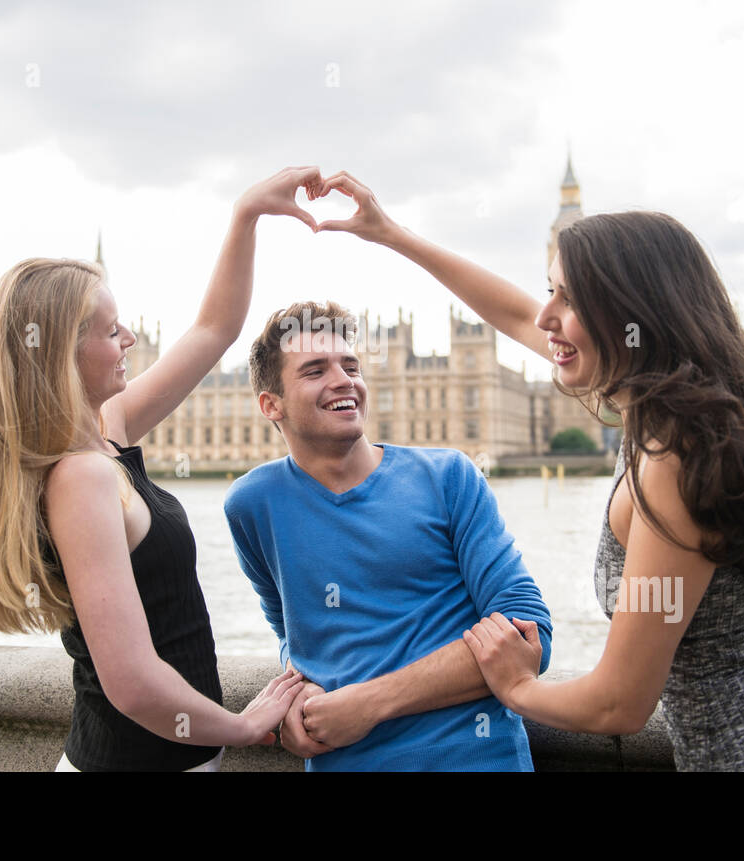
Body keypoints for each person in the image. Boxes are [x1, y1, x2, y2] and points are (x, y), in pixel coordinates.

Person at [311, 170, 744, 771]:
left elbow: (619, 705)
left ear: (631, 316)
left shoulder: (675, 461)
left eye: (569, 299)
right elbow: (515, 314)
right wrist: (392, 234)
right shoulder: (665, 414)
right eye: (550, 291)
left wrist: (515, 688)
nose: (547, 316)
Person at [0, 167, 329, 771]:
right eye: (110, 329)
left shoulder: (108, 434)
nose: (130, 336)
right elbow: (130, 682)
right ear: (58, 354)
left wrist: (245, 215)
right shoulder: (81, 478)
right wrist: (241, 725)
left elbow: (213, 330)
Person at [224, 300, 553, 771]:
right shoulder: (252, 504)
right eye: (315, 370)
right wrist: (298, 689)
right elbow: (293, 629)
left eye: (351, 365)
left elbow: (528, 632)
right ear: (270, 403)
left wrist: (369, 704)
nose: (344, 379)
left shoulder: (448, 476)